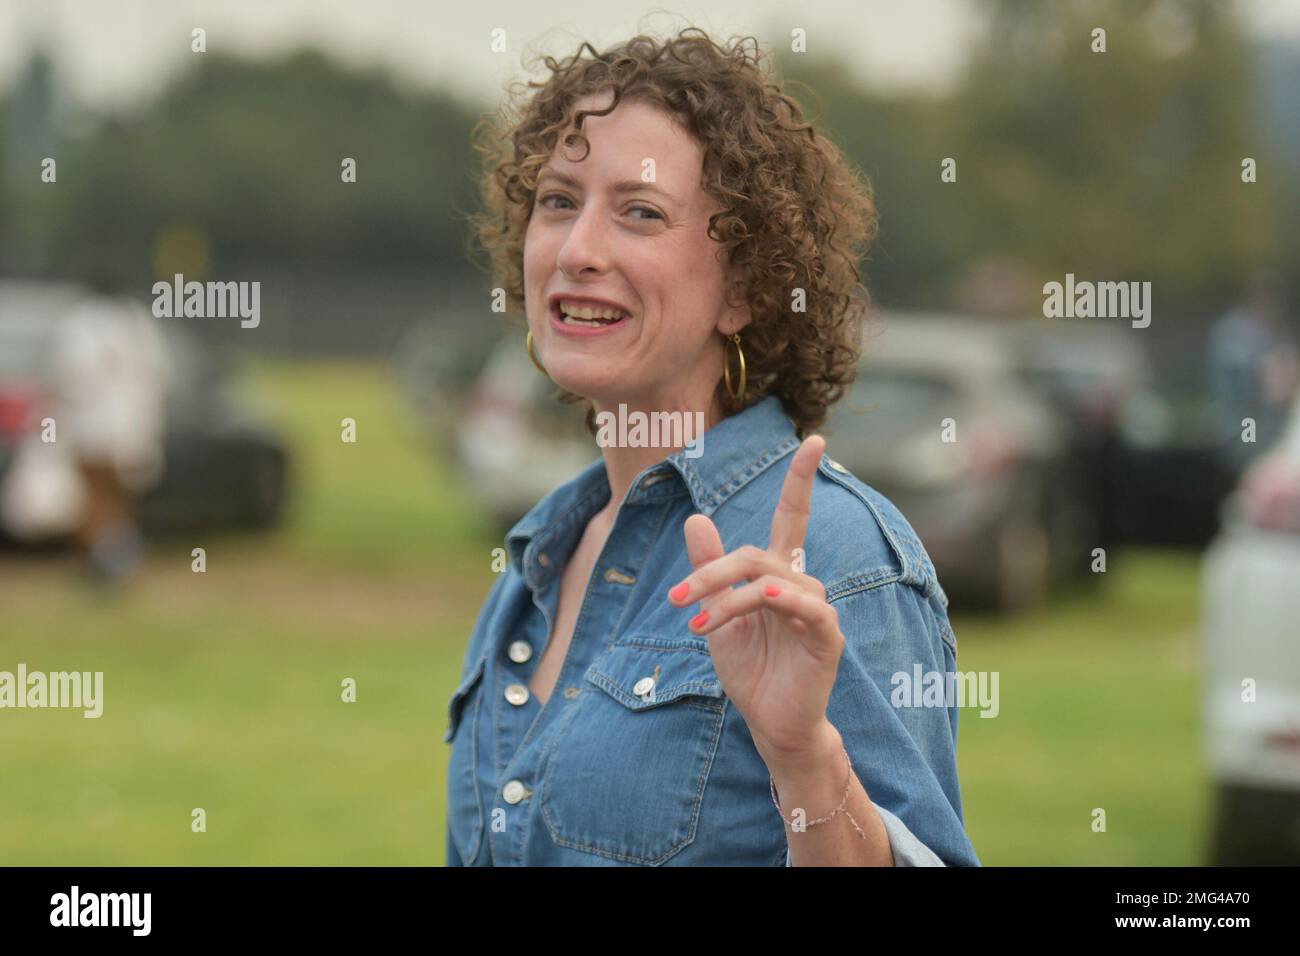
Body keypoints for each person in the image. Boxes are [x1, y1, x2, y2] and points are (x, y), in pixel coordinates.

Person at [446, 28, 979, 866]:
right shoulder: (536, 564)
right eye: (558, 200)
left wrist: (806, 760)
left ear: (747, 289)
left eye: (641, 213)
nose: (578, 250)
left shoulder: (836, 558)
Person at [52, 273, 167, 585]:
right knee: (119, 499)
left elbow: (71, 376)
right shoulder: (138, 323)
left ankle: (105, 563)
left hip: (93, 426)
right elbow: (155, 376)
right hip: (132, 426)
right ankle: (118, 560)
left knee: (93, 497)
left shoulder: (82, 323)